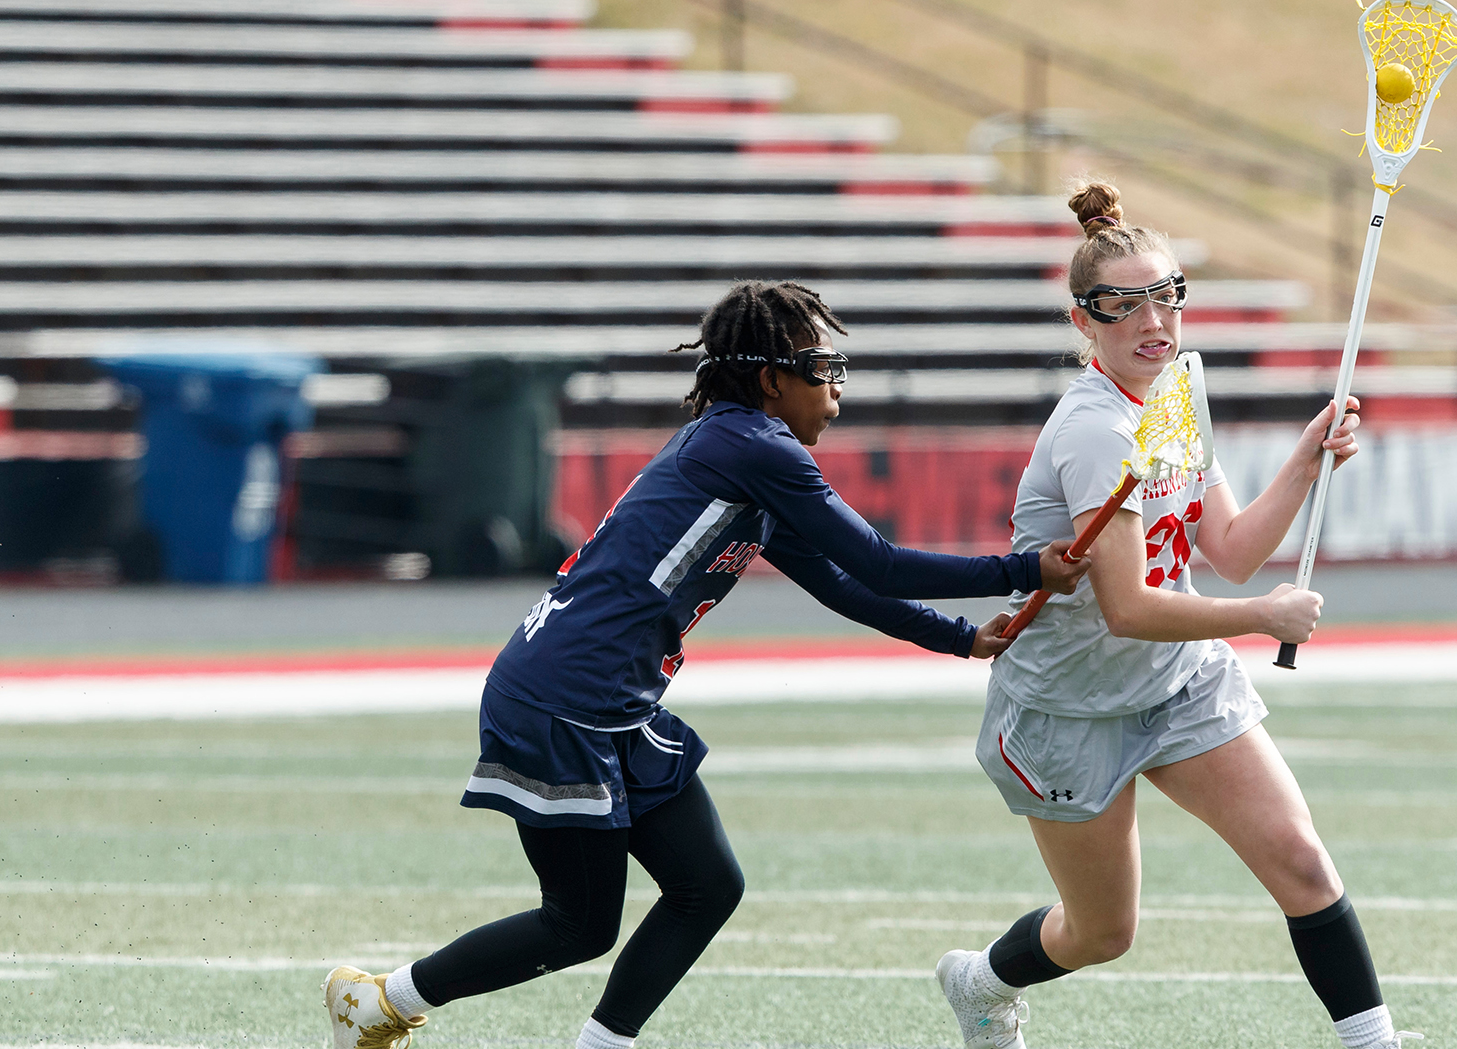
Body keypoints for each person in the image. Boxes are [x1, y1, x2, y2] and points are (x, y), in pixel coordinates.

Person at [323, 280, 1089, 1049]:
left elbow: (841, 584)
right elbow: (879, 563)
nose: (836, 389)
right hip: (564, 699)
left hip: (609, 699)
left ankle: (504, 1027)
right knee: (579, 923)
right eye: (822, 369)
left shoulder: (743, 451)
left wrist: (958, 637)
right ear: (771, 380)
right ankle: (383, 1001)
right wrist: (1023, 569)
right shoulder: (753, 447)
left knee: (706, 885)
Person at [932, 181, 1412, 1049]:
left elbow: (1228, 550)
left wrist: (1305, 463)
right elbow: (1126, 609)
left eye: (1167, 295)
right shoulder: (1095, 432)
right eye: (1123, 305)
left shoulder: (1179, 388)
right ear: (1084, 322)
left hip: (1181, 681)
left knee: (1303, 864)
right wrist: (1260, 616)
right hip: (1068, 704)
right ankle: (981, 983)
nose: (1153, 321)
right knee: (1101, 934)